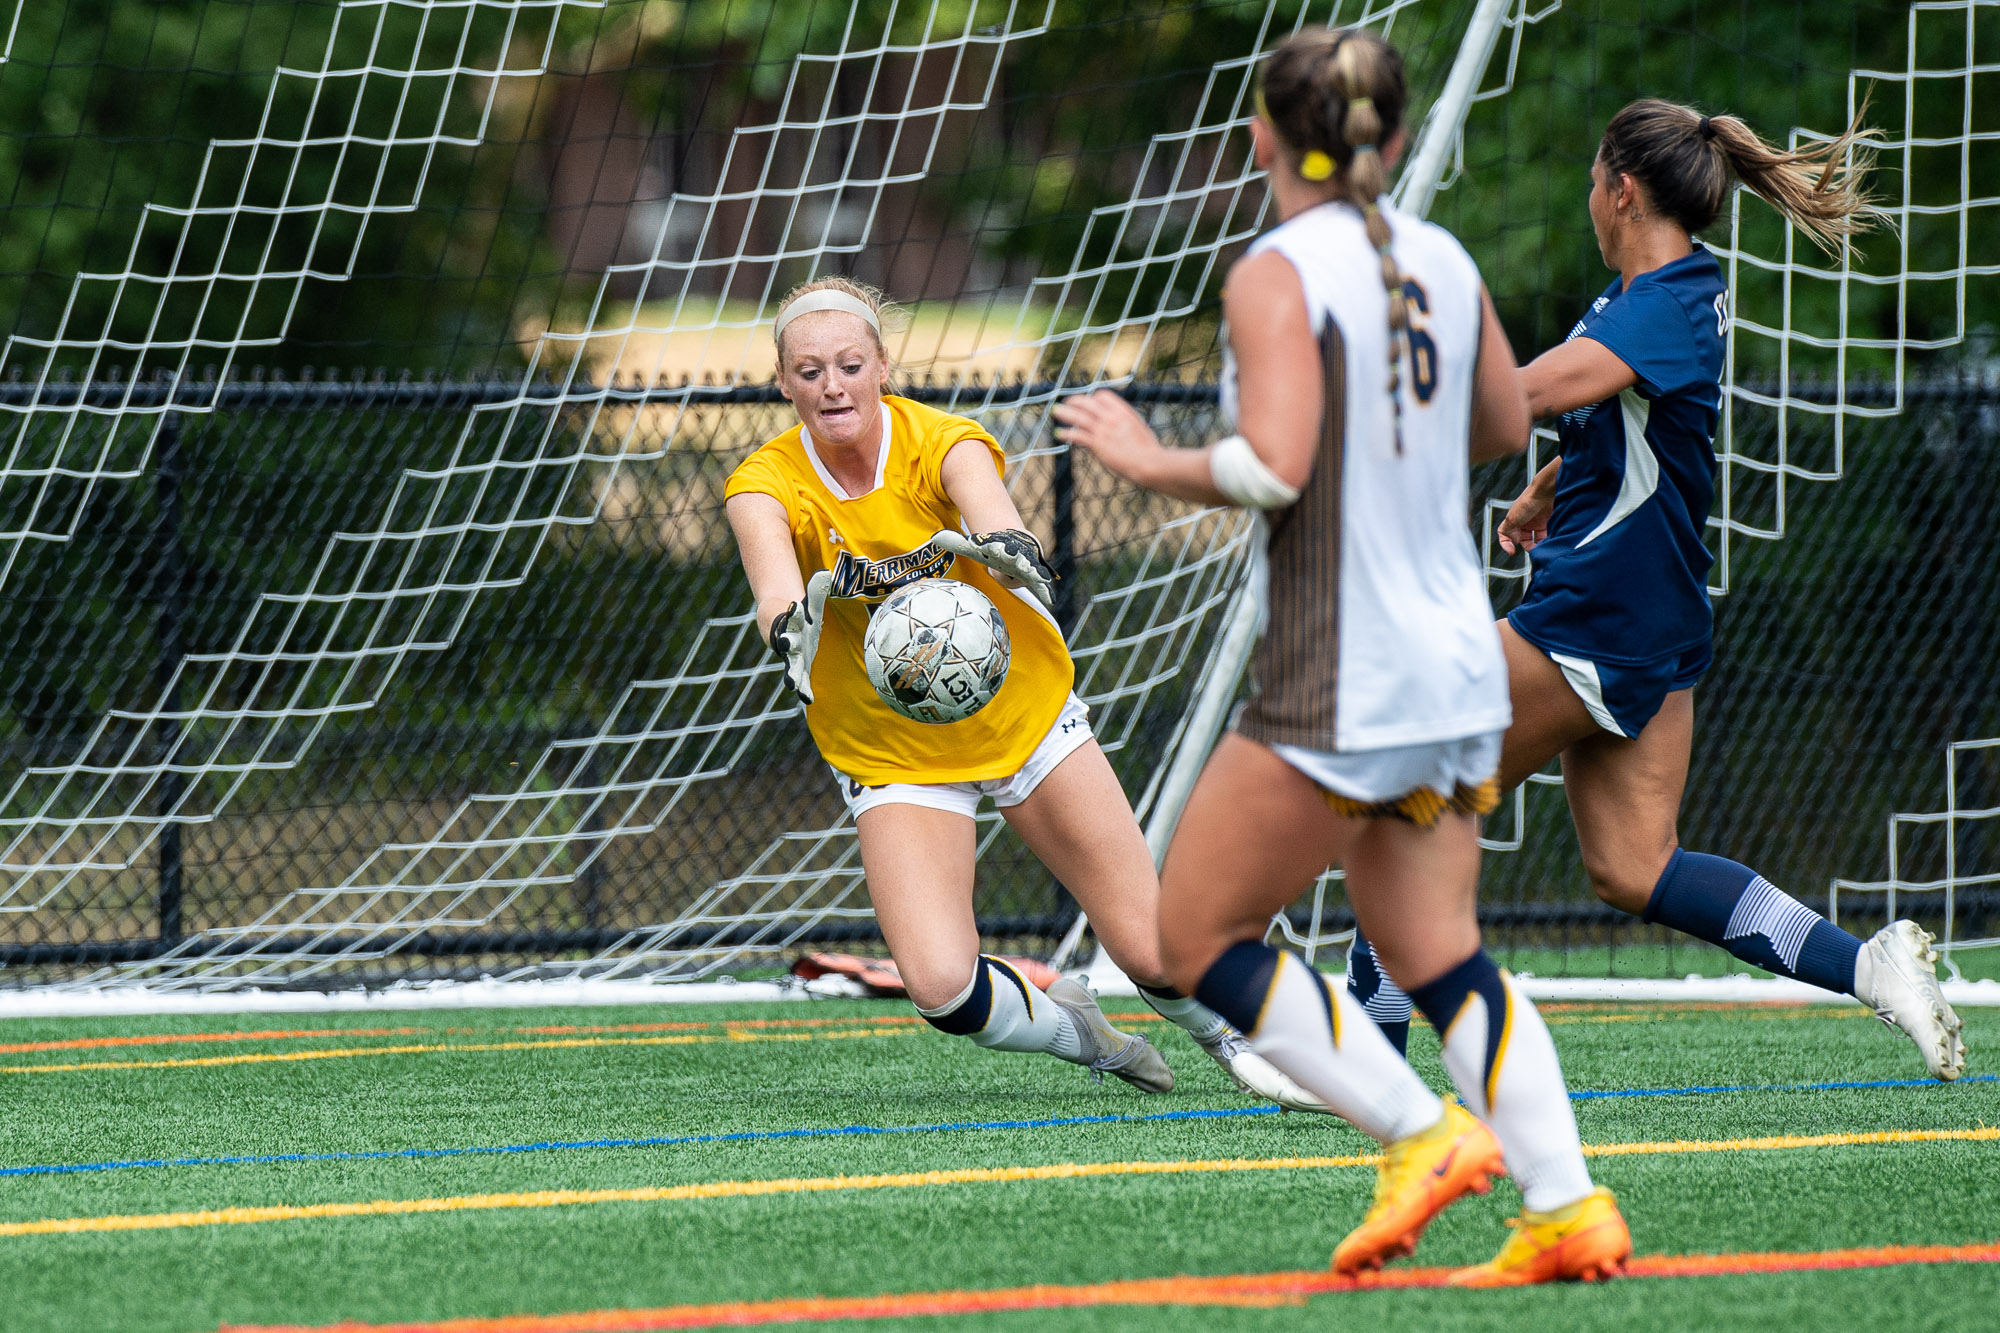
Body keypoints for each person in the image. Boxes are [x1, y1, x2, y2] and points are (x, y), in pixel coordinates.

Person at [1056, 28, 1629, 1287]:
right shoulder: (1439, 252)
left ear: (1264, 136)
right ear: (1391, 136)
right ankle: (1565, 1204)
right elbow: (1493, 420)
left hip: (1342, 669)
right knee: (1438, 954)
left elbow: (1273, 463)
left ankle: (1422, 1134)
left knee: (1188, 940)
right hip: (1455, 658)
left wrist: (1139, 456)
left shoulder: (1275, 269)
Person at [1344, 98, 1967, 1083]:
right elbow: (1635, 417)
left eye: (1593, 184)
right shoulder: (1668, 294)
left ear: (1619, 188)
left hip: (1596, 618)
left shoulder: (1656, 302)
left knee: (1399, 791)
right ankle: (1868, 964)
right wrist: (1555, 480)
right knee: (1633, 866)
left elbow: (1534, 391)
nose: (1589, 203)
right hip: (1653, 620)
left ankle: (1358, 1060)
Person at [723, 275, 1313, 1105]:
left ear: (882, 365)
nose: (832, 385)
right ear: (783, 382)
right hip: (894, 750)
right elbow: (772, 587)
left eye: (849, 364)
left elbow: (994, 508)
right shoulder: (764, 480)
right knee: (940, 988)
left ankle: (1236, 1039)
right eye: (810, 370)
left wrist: (1008, 546)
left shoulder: (941, 440)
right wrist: (793, 622)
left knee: (1150, 953)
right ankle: (1086, 1035)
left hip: (1023, 718)